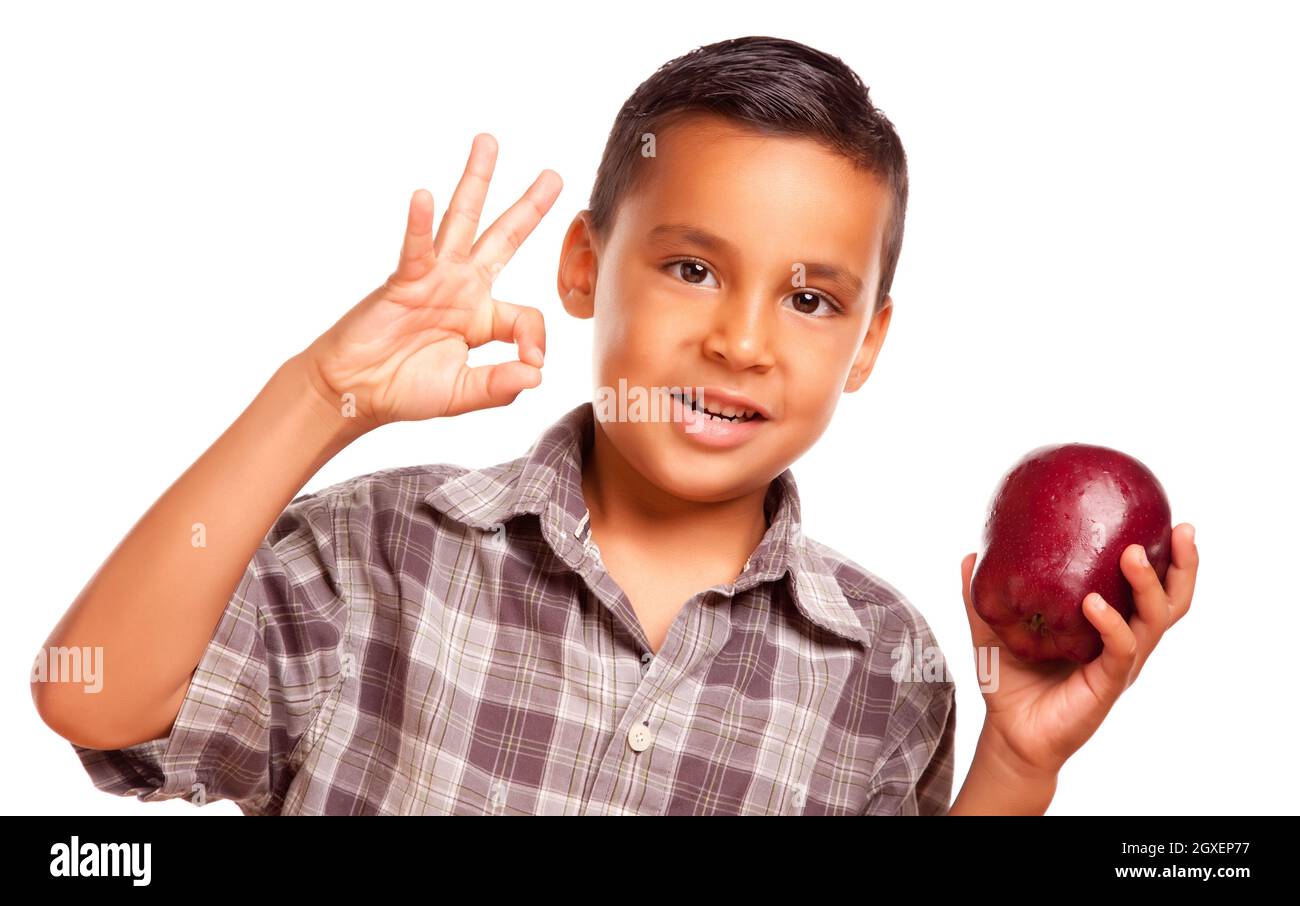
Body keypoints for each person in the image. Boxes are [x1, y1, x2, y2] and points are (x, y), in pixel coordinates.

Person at [32, 35, 1198, 815]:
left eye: (808, 299)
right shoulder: (383, 554)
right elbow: (92, 697)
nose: (741, 341)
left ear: (869, 344)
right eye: (692, 266)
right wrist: (319, 400)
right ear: (586, 265)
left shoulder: (885, 671)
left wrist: (1013, 763)